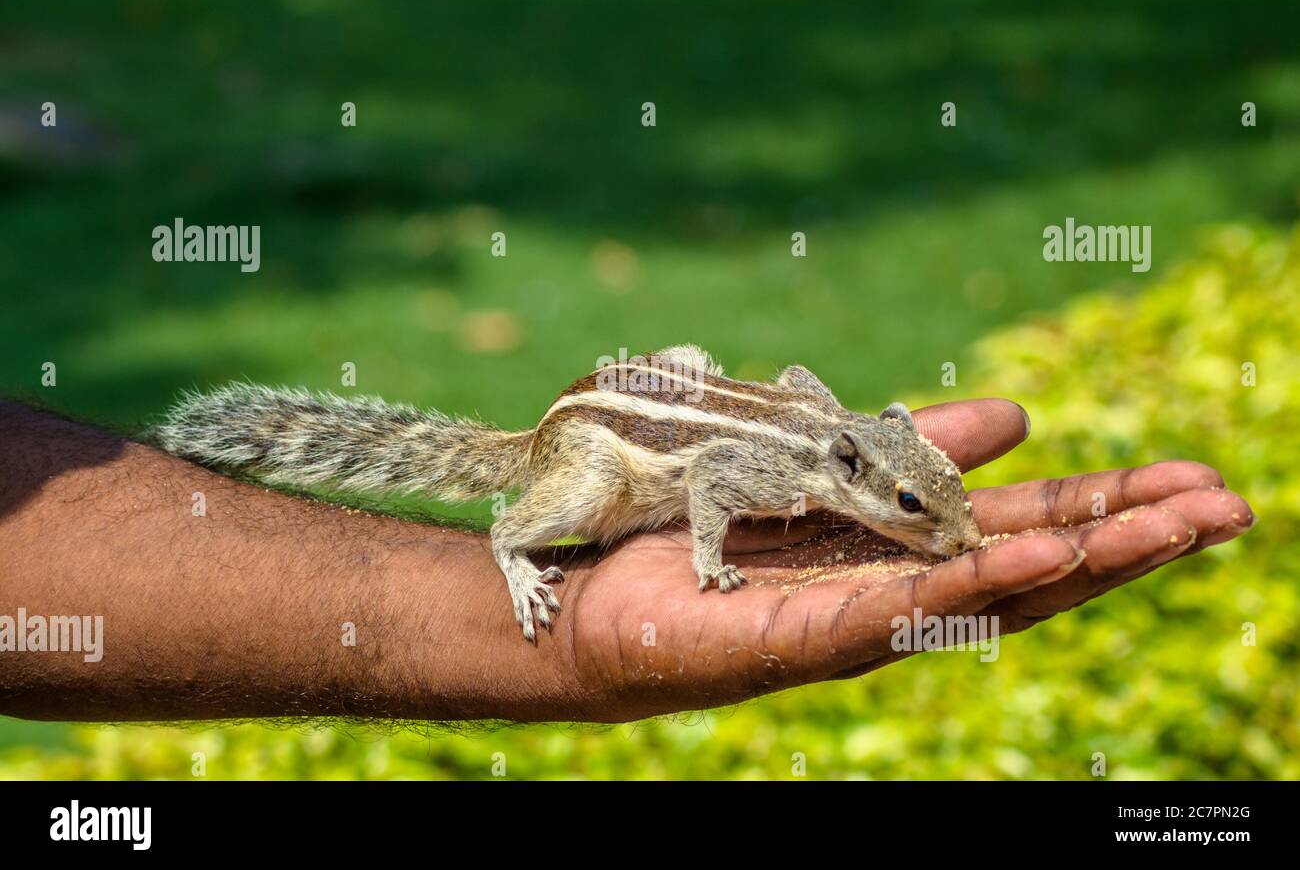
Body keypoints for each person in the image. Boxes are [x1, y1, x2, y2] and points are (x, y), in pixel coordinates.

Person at [0, 398, 1253, 723]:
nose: (939, 534)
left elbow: (808, 391)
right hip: (607, 447)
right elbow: (707, 483)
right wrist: (707, 562)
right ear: (859, 475)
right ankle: (512, 548)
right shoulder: (793, 470)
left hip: (674, 422)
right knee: (580, 498)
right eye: (919, 516)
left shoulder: (836, 453)